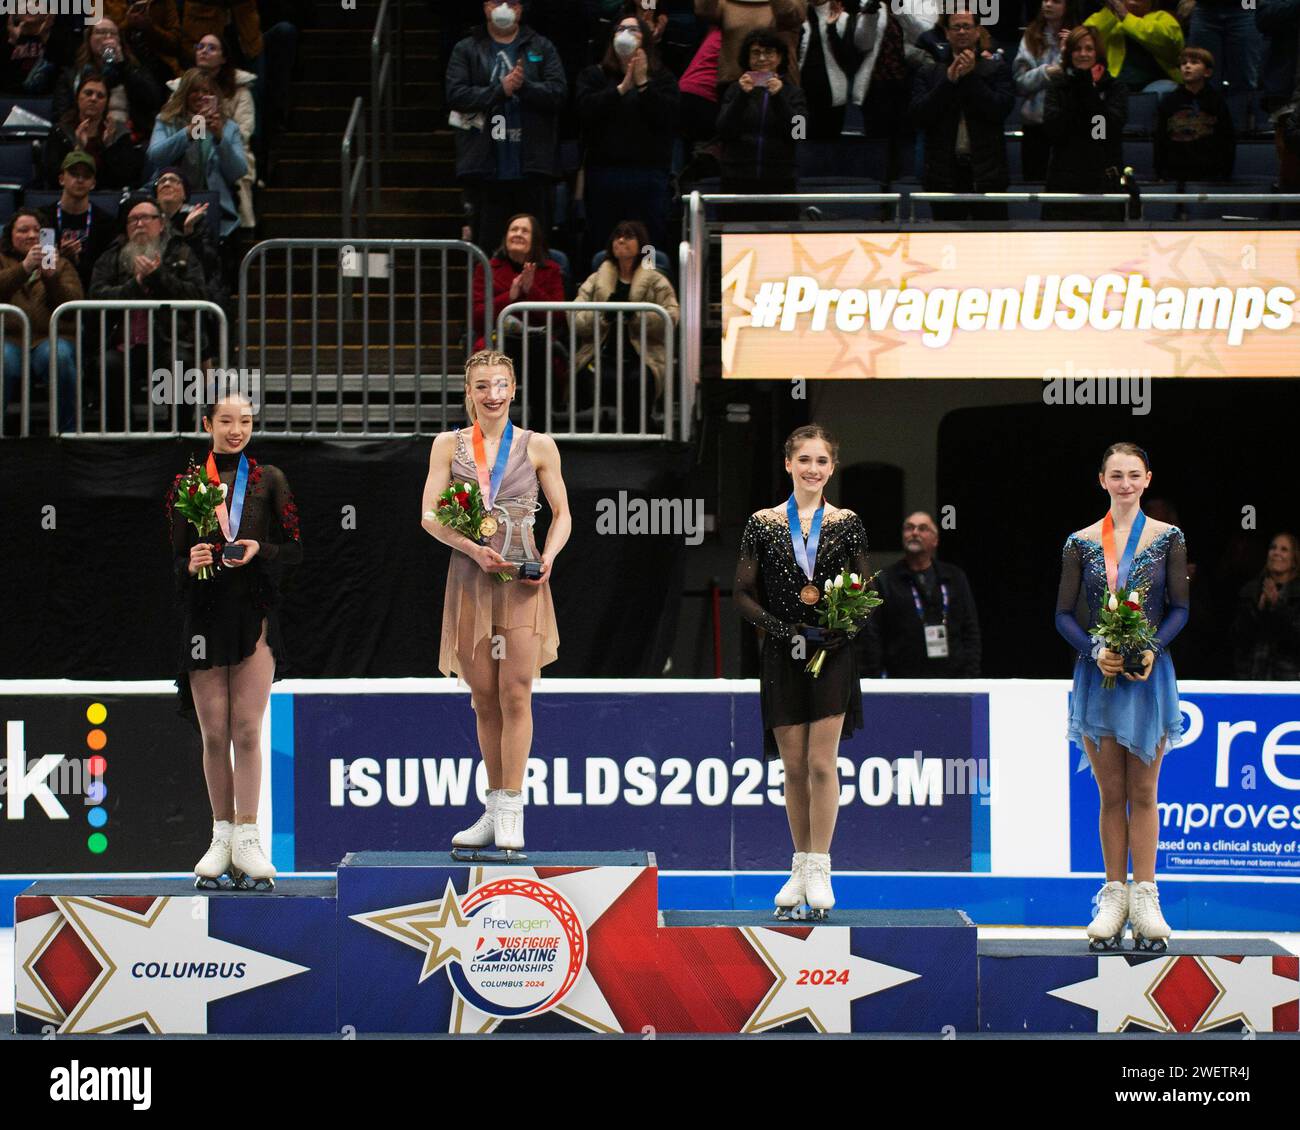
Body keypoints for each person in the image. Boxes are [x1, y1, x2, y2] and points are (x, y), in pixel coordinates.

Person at [421, 349, 569, 857]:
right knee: (483, 696)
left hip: (524, 579)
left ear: (513, 390)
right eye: (482, 386)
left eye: (500, 384)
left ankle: (512, 807)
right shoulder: (448, 445)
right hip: (471, 576)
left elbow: (564, 514)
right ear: (469, 393)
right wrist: (470, 549)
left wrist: (548, 555)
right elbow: (428, 516)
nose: (492, 394)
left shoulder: (538, 446)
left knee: (517, 693)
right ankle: (492, 805)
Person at [1055, 442, 1188, 952]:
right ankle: (1113, 895)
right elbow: (1063, 613)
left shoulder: (1168, 537)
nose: (1126, 483)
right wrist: (1096, 649)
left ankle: (1147, 897)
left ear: (1148, 479)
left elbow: (1180, 607)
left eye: (1135, 474)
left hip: (1150, 676)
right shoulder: (1081, 542)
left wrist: (1151, 647)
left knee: (1144, 794)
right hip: (1098, 675)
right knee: (1112, 795)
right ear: (1102, 480)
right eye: (1117, 474)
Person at [734, 424, 870, 920]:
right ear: (788, 464)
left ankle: (821, 864)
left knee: (820, 763)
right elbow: (743, 593)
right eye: (804, 460)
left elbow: (863, 589)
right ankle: (798, 864)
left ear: (832, 468)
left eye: (822, 461)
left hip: (832, 653)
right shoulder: (763, 522)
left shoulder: (848, 522)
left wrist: (843, 627)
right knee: (792, 766)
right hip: (783, 655)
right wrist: (780, 628)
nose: (813, 469)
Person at [167, 391, 302, 890]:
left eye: (245, 421)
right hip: (203, 619)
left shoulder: (270, 481)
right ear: (208, 424)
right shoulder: (188, 483)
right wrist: (194, 562)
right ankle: (220, 836)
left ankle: (248, 836)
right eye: (226, 420)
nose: (236, 429)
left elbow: (296, 551)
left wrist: (257, 549)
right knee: (213, 733)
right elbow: (176, 562)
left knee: (247, 730)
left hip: (254, 616)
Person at [445, 1, 567, 251]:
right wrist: (500, 90)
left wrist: (525, 86)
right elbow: (457, 95)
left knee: (534, 250)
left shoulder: (541, 46)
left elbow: (558, 92)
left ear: (520, 9)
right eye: (496, 2)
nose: (503, 7)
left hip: (531, 167)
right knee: (487, 250)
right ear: (485, 7)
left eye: (511, 2)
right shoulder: (466, 48)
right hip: (485, 167)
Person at [89, 198, 208, 430]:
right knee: (107, 364)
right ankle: (120, 436)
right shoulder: (111, 257)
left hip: (170, 340)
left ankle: (180, 434)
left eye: (146, 218)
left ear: (161, 224)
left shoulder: (181, 253)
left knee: (181, 362)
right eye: (133, 219)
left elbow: (198, 294)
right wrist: (134, 285)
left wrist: (158, 277)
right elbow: (96, 295)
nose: (139, 224)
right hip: (124, 343)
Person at [575, 14, 679, 272]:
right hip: (604, 175)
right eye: (620, 29)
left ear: (646, 39)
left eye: (633, 29)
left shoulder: (662, 78)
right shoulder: (594, 75)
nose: (625, 33)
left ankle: (653, 303)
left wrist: (642, 83)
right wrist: (621, 89)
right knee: (605, 241)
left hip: (649, 176)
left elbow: (669, 119)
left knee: (650, 244)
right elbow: (584, 113)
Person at [572, 220, 680, 433]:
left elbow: (672, 316)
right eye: (617, 236)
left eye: (629, 236)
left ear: (641, 245)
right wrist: (602, 317)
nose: (621, 240)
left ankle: (637, 432)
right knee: (596, 375)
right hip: (601, 353)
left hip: (644, 354)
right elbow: (575, 318)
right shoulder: (595, 279)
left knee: (639, 378)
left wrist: (638, 317)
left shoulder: (657, 280)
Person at [910, 7, 1014, 220]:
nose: (961, 32)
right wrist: (948, 82)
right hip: (944, 176)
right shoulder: (929, 73)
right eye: (955, 27)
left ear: (977, 32)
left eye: (967, 26)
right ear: (947, 33)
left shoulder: (996, 70)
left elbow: (1000, 110)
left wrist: (970, 78)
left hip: (987, 176)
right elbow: (919, 115)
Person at [471, 213, 566, 427]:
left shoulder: (551, 270)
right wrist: (510, 296)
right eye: (513, 230)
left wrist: (531, 289)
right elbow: (477, 317)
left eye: (524, 231)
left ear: (536, 240)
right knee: (490, 359)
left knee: (541, 354)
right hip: (498, 341)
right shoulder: (486, 268)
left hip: (537, 343)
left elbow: (559, 317)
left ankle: (540, 428)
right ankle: (489, 427)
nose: (518, 234)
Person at [860, 511, 981, 678]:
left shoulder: (954, 577)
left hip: (953, 678)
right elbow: (873, 633)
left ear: (935, 540)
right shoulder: (885, 580)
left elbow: (970, 628)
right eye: (909, 528)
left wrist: (970, 677)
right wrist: (875, 678)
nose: (915, 533)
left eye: (923, 528)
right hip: (901, 679)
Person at [0, 209, 82, 433]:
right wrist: (23, 268)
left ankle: (67, 433)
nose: (31, 235)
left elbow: (74, 306)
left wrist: (51, 279)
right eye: (23, 230)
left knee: (61, 357)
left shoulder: (62, 264)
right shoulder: (2, 260)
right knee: (2, 361)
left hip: (51, 337)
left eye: (37, 230)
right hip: (10, 339)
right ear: (10, 235)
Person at [146, 69, 250, 241]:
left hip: (213, 206)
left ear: (214, 96)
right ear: (185, 94)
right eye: (195, 91)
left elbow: (238, 171)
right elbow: (155, 156)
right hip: (169, 206)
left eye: (207, 92)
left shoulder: (229, 127)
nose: (201, 96)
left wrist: (220, 138)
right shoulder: (166, 120)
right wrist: (188, 132)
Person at [716, 29, 809, 221]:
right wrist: (742, 97)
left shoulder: (793, 93)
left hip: (780, 182)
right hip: (737, 181)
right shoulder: (735, 90)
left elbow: (799, 133)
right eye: (756, 53)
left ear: (780, 58)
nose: (762, 58)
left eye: (769, 52)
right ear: (748, 58)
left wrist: (779, 98)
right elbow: (723, 130)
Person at [1042, 25, 1128, 221]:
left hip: (1102, 183)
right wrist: (1078, 87)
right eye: (1077, 49)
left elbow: (1103, 132)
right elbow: (1056, 132)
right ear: (1069, 53)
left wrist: (1089, 90)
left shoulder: (1115, 88)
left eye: (1089, 49)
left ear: (1098, 53)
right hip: (1063, 182)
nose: (1083, 54)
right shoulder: (1058, 86)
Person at [176, 33, 257, 230]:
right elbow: (172, 121)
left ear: (223, 58)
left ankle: (237, 226)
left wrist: (219, 132)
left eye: (212, 48)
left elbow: (244, 131)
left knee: (233, 165)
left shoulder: (239, 91)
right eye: (200, 46)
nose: (204, 51)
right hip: (190, 145)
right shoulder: (180, 90)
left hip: (226, 147)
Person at [53, 17, 165, 141]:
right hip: (83, 136)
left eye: (113, 33)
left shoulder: (133, 68)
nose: (107, 37)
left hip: (128, 137)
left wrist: (122, 65)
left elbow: (152, 100)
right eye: (101, 32)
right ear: (89, 38)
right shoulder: (72, 74)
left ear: (119, 40)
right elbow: (62, 113)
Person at [43, 71, 145, 189]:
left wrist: (109, 147)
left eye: (100, 96)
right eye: (88, 93)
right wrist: (78, 148)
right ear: (77, 98)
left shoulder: (119, 133)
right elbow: (53, 178)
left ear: (106, 103)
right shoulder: (60, 132)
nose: (93, 99)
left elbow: (124, 179)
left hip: (105, 196)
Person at [1014, 0, 1077, 182]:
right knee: (1034, 184)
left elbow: (1084, 80)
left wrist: (1068, 54)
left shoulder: (1080, 37)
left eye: (1055, 1)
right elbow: (1020, 82)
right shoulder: (1030, 36)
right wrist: (1047, 72)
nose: (1047, 4)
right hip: (1036, 126)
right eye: (1045, 0)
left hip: (1069, 126)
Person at [37, 150, 117, 291]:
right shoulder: (42, 217)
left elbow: (106, 271)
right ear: (61, 179)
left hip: (89, 292)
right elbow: (40, 264)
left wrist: (78, 261)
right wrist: (60, 256)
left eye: (86, 176)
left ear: (93, 183)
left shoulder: (106, 222)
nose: (80, 180)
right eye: (74, 174)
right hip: (48, 290)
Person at [696, 0, 809, 98]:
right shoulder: (726, 3)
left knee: (791, 121)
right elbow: (703, 11)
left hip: (780, 85)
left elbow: (790, 14)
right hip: (735, 85)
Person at [1155, 47, 1236, 182]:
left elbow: (1227, 139)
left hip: (1210, 173)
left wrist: (1225, 173)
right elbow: (1160, 138)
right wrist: (1160, 172)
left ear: (1207, 72)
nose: (1187, 66)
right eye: (1183, 63)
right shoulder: (1169, 101)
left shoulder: (1216, 101)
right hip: (1175, 172)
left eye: (1194, 62)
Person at [153, 167, 224, 308]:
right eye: (162, 181)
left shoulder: (198, 221)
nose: (167, 184)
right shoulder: (148, 220)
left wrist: (190, 233)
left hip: (187, 287)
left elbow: (209, 263)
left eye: (174, 180)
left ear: (185, 194)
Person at [1232, 532, 1300, 680]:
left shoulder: (1297, 594)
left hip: (1289, 679)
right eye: (1273, 548)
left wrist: (1277, 607)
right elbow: (1238, 637)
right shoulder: (1250, 591)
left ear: (1294, 560)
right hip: (1252, 676)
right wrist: (1259, 610)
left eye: (1284, 549)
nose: (1277, 552)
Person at [1084, 0, 1184, 95]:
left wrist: (1127, 18)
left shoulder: (1162, 17)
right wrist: (1112, 11)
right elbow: (1085, 37)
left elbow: (1169, 40)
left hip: (1154, 83)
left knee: (1163, 89)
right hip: (1114, 84)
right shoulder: (1106, 17)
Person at [799, 0, 860, 141]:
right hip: (800, 95)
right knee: (799, 138)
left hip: (832, 95)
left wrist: (831, 28)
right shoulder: (797, 18)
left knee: (829, 143)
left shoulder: (844, 18)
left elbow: (848, 60)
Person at [1190, 0, 1264, 93]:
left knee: (1245, 79)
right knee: (1202, 75)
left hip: (1246, 5)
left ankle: (1243, 106)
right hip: (1205, 7)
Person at [104, 0, 183, 86]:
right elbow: (96, 36)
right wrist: (127, 23)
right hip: (119, 60)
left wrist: (150, 27)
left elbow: (175, 44)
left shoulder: (166, 3)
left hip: (161, 65)